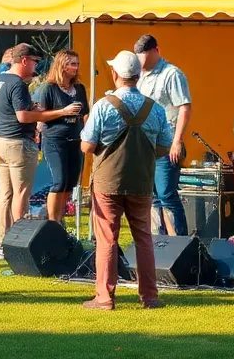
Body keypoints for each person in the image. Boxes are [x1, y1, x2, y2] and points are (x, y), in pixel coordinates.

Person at [81, 50, 173, 311]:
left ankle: (105, 298)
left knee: (108, 239)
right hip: (142, 181)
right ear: (138, 75)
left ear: (115, 74)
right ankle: (150, 297)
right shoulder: (154, 108)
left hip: (108, 182)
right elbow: (164, 146)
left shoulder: (102, 105)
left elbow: (87, 146)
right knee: (144, 238)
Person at [0, 43, 84, 259]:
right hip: (18, 142)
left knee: (4, 195)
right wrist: (57, 112)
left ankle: (2, 244)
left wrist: (33, 108)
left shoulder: (2, 79)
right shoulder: (18, 83)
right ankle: (18, 244)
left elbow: (13, 109)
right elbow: (22, 116)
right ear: (24, 60)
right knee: (21, 195)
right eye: (34, 61)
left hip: (0, 141)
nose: (35, 66)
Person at [135, 34, 191, 236]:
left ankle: (180, 243)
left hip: (166, 144)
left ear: (156, 51)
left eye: (145, 58)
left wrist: (177, 141)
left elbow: (184, 108)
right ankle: (158, 242)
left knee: (167, 194)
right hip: (145, 145)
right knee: (152, 196)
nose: (141, 64)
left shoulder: (172, 74)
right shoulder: (140, 77)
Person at [34, 50, 90, 223]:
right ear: (61, 66)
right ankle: (52, 221)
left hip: (76, 139)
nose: (75, 67)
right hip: (55, 139)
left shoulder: (79, 88)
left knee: (70, 183)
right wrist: (63, 112)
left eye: (77, 64)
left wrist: (88, 133)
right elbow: (39, 116)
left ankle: (60, 217)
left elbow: (86, 113)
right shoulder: (48, 88)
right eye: (72, 64)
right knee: (59, 181)